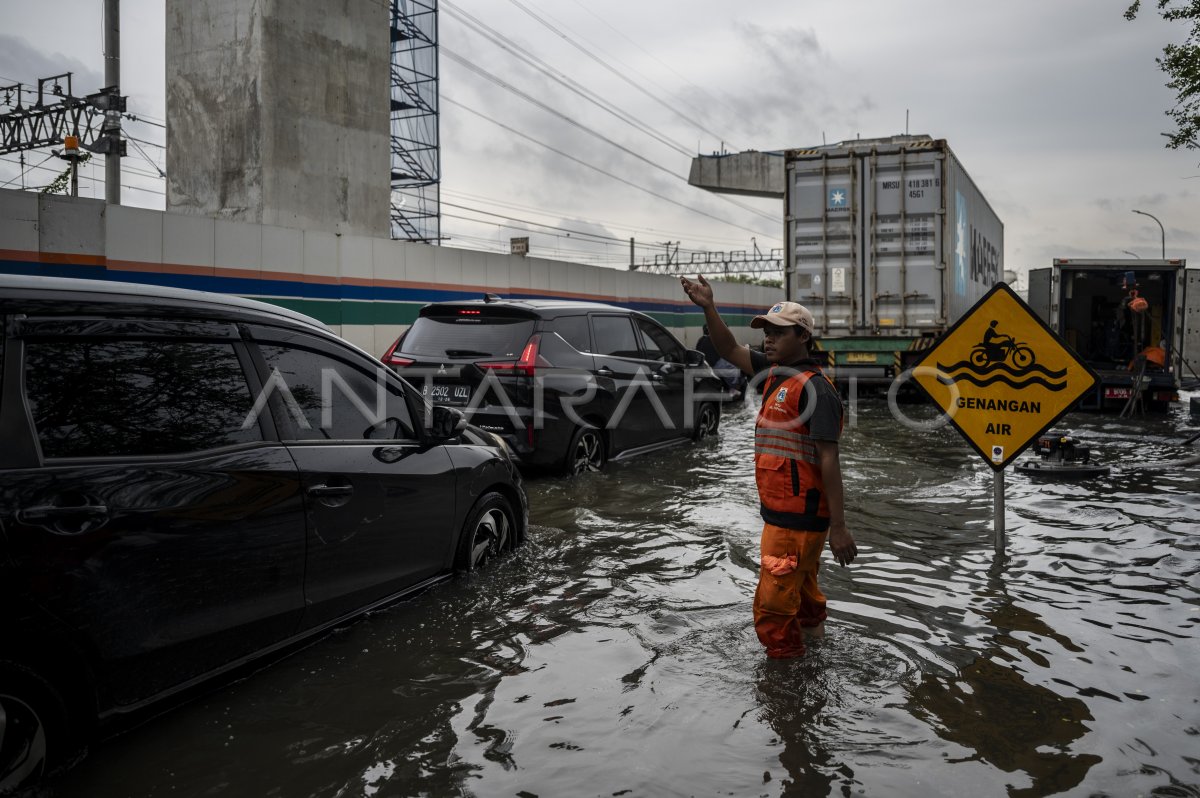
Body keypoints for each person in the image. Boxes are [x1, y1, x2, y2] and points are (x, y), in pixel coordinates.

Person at [680, 274, 857, 659]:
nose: (769, 339)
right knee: (805, 599)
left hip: (795, 524)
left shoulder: (815, 389)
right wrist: (709, 306)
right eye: (766, 331)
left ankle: (785, 696)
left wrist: (840, 527)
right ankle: (815, 665)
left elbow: (830, 458)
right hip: (791, 521)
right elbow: (727, 347)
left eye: (779, 332)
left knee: (772, 613)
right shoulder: (775, 375)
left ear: (803, 338)